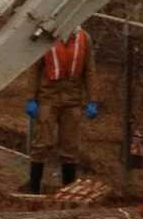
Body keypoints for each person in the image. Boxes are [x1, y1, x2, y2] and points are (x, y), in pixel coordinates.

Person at [26, 26, 98, 193]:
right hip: (48, 98)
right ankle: (33, 190)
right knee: (42, 144)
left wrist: (92, 99)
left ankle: (67, 192)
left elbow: (89, 70)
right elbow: (35, 69)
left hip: (72, 100)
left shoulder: (83, 38)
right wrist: (31, 98)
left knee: (70, 147)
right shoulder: (46, 36)